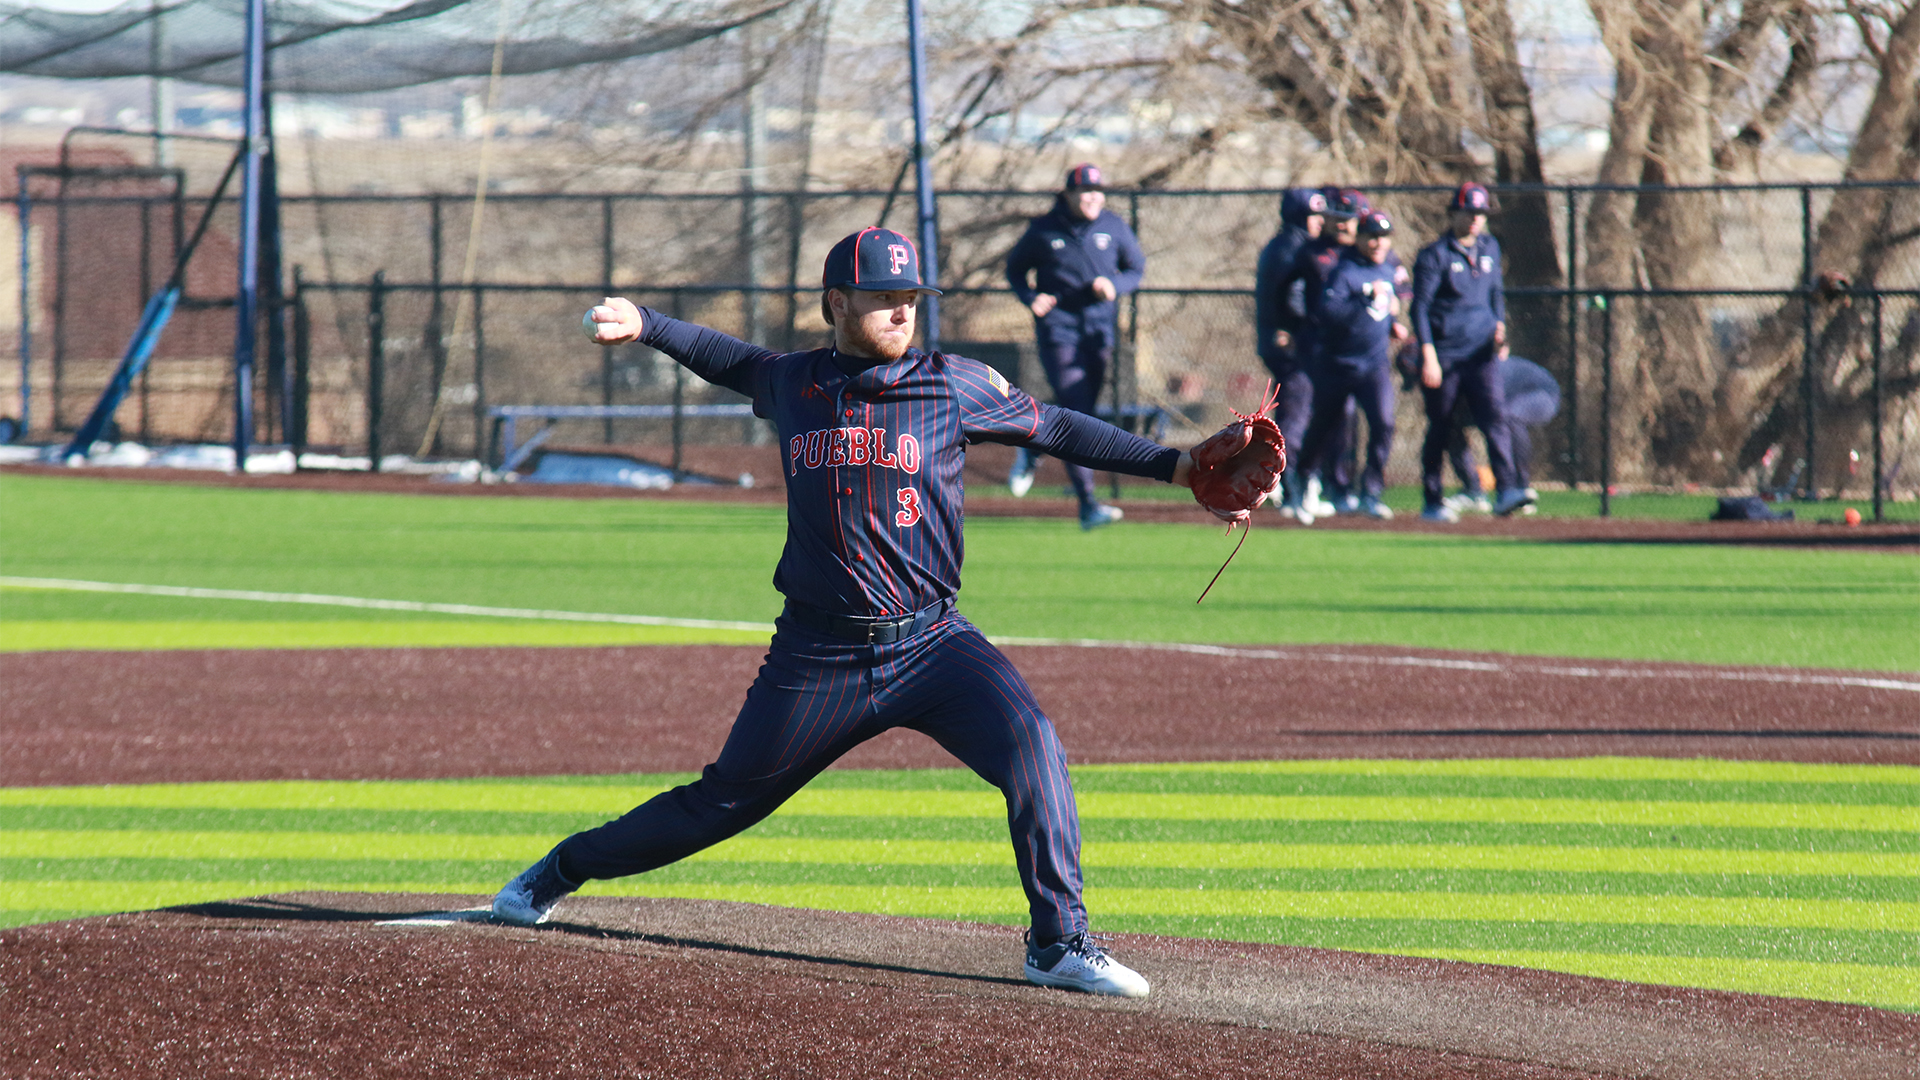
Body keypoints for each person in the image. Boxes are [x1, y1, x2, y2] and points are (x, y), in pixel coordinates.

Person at [493, 226, 1198, 999]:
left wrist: (1179, 465)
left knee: (1034, 747)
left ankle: (1058, 943)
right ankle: (559, 869)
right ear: (836, 303)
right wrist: (649, 323)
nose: (902, 311)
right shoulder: (793, 382)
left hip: (934, 644)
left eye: (910, 299)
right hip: (816, 657)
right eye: (884, 298)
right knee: (717, 807)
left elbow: (1057, 426)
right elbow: (726, 357)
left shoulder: (953, 384)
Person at [1003, 163, 1147, 529]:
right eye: (1084, 191)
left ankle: (1032, 444)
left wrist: (1115, 286)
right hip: (1059, 331)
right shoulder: (1044, 229)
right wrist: (1030, 297)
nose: (1092, 197)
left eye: (1097, 191)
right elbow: (1015, 270)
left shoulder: (1113, 226)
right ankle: (1088, 505)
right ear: (1067, 195)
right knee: (1076, 409)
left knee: (1081, 411)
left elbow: (1136, 268)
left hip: (1098, 334)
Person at [1409, 182, 1533, 521]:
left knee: (1495, 419)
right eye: (1470, 212)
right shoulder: (1435, 255)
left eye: (1481, 214)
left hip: (1481, 356)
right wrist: (1429, 354)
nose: (1476, 220)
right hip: (1446, 356)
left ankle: (1507, 490)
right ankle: (1432, 500)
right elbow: (1419, 308)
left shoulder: (1490, 248)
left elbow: (1496, 294)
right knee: (1442, 426)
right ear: (1454, 214)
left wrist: (1500, 328)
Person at [1292, 211, 1406, 519]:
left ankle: (1371, 492)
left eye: (1383, 237)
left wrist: (1393, 321)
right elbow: (1328, 312)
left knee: (1384, 423)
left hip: (1374, 365)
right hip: (1338, 364)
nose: (1377, 243)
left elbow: (1392, 299)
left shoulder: (1388, 269)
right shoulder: (1345, 271)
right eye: (1371, 236)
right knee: (1326, 427)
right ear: (1359, 238)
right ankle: (1303, 477)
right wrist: (1365, 296)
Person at [1253, 188, 1327, 523]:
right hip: (1291, 346)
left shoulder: (1280, 244)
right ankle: (1289, 486)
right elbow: (1293, 298)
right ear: (1300, 217)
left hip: (1278, 341)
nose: (1321, 222)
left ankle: (1280, 482)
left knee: (1295, 414)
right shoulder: (1295, 248)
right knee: (1297, 417)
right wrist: (1304, 331)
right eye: (1315, 215)